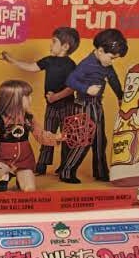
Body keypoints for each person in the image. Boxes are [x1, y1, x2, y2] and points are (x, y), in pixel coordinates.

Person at [48, 28, 128, 184]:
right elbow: (70, 81)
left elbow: (113, 78)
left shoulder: (105, 64)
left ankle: (101, 172)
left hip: (96, 106)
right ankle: (67, 171)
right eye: (111, 58)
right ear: (100, 50)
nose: (112, 62)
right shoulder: (87, 64)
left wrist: (120, 96)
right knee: (83, 140)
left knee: (100, 141)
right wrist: (87, 89)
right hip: (83, 106)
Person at [1, 26, 79, 175]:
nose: (50, 44)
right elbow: (31, 67)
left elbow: (72, 87)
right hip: (51, 107)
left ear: (65, 46)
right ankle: (41, 166)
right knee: (47, 134)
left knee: (66, 137)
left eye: (54, 41)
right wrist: (13, 61)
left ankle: (65, 167)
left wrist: (56, 97)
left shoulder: (70, 65)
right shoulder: (48, 61)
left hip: (67, 106)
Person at [0, 79, 62, 192]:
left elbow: (40, 135)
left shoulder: (28, 119)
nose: (31, 99)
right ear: (14, 100)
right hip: (4, 162)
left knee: (30, 189)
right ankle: (5, 175)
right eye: (27, 96)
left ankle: (16, 176)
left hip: (24, 162)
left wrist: (57, 137)